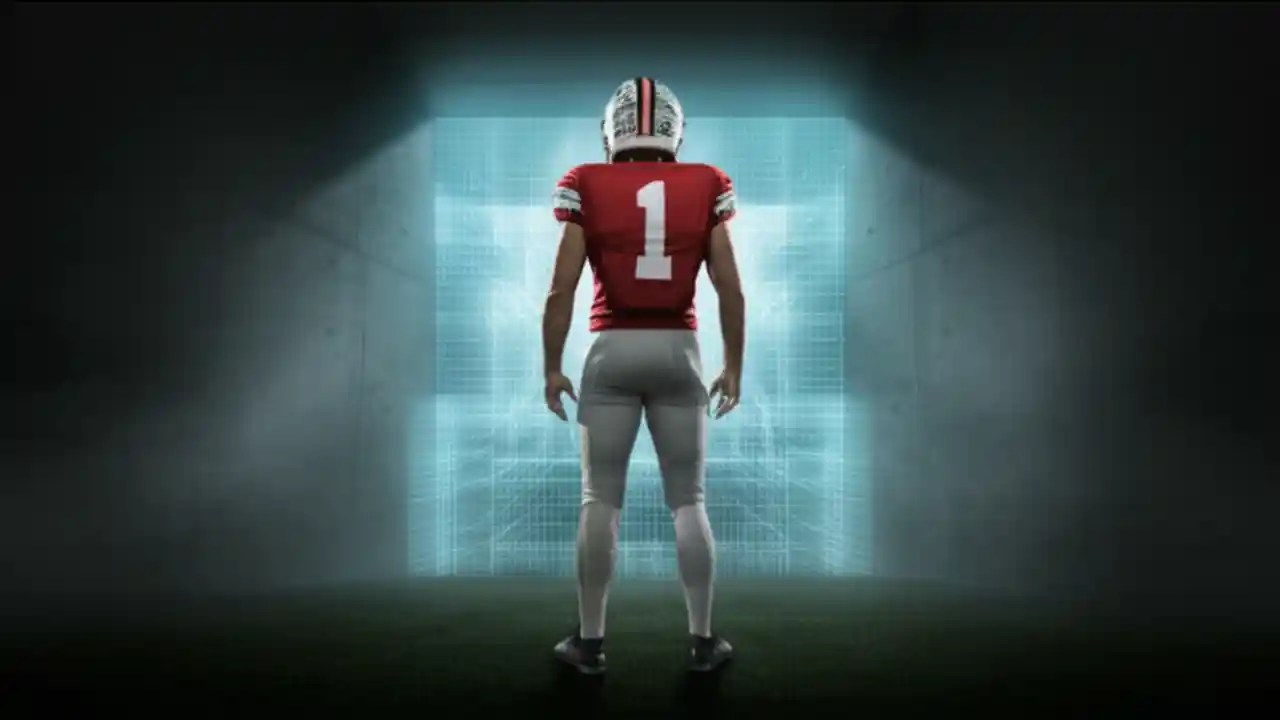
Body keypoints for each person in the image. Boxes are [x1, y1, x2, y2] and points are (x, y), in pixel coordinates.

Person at [541, 77, 745, 675]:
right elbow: (729, 286)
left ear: (614, 127)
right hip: (681, 349)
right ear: (674, 127)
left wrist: (551, 366)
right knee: (689, 502)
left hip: (612, 349)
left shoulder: (587, 181)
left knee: (599, 498)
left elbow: (562, 288)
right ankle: (704, 642)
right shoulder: (706, 181)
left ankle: (591, 643)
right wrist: (734, 364)